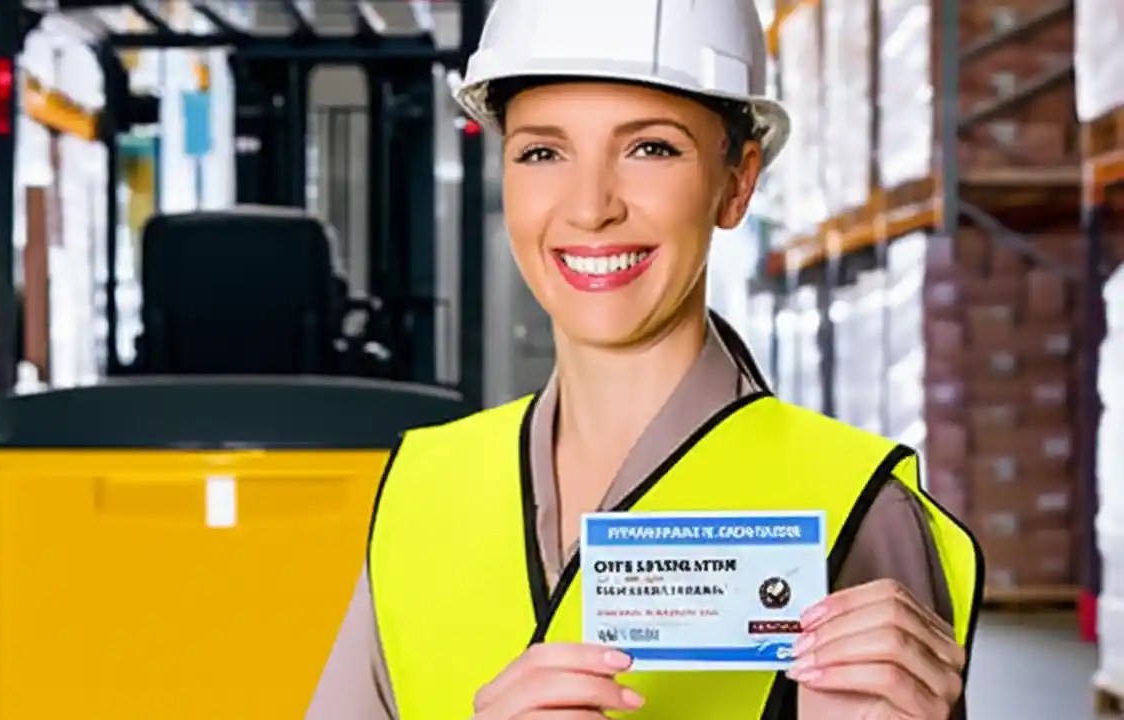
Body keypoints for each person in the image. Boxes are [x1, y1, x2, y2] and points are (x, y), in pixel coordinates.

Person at [306, 0, 982, 717]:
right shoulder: (425, 489)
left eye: (650, 148)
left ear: (737, 181)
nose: (591, 206)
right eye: (542, 152)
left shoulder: (852, 505)